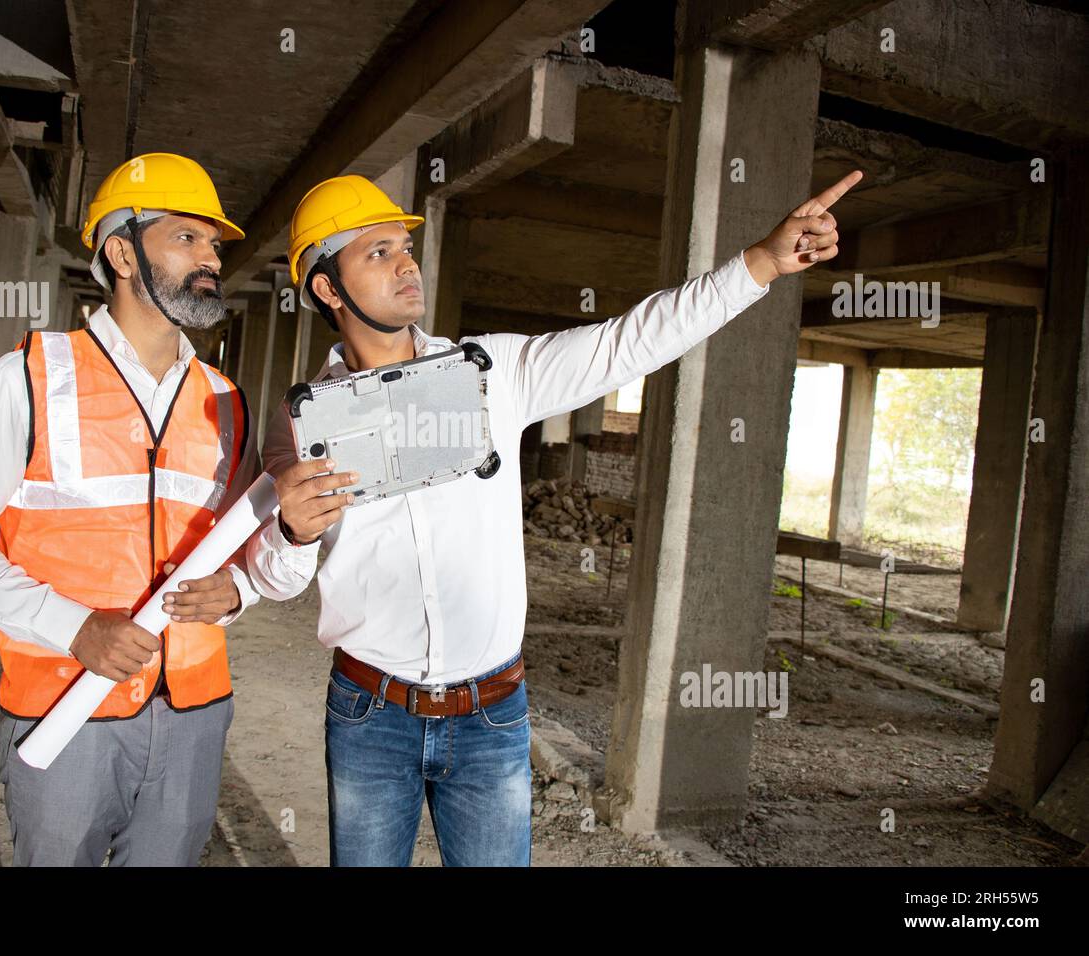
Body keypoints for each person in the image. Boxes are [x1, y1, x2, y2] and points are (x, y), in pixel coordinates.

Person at [259, 168, 863, 865]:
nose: (406, 265)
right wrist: (292, 532)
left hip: (491, 718)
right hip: (370, 716)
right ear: (328, 289)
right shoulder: (305, 425)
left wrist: (760, 263)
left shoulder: (491, 373)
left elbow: (629, 341)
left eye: (405, 247)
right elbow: (276, 580)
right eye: (377, 252)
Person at [0, 152, 352, 865]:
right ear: (122, 254)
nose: (211, 257)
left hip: (194, 716)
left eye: (214, 243)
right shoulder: (29, 377)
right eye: (186, 237)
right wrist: (74, 627)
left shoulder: (225, 400)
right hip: (66, 705)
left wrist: (239, 590)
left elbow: (247, 559)